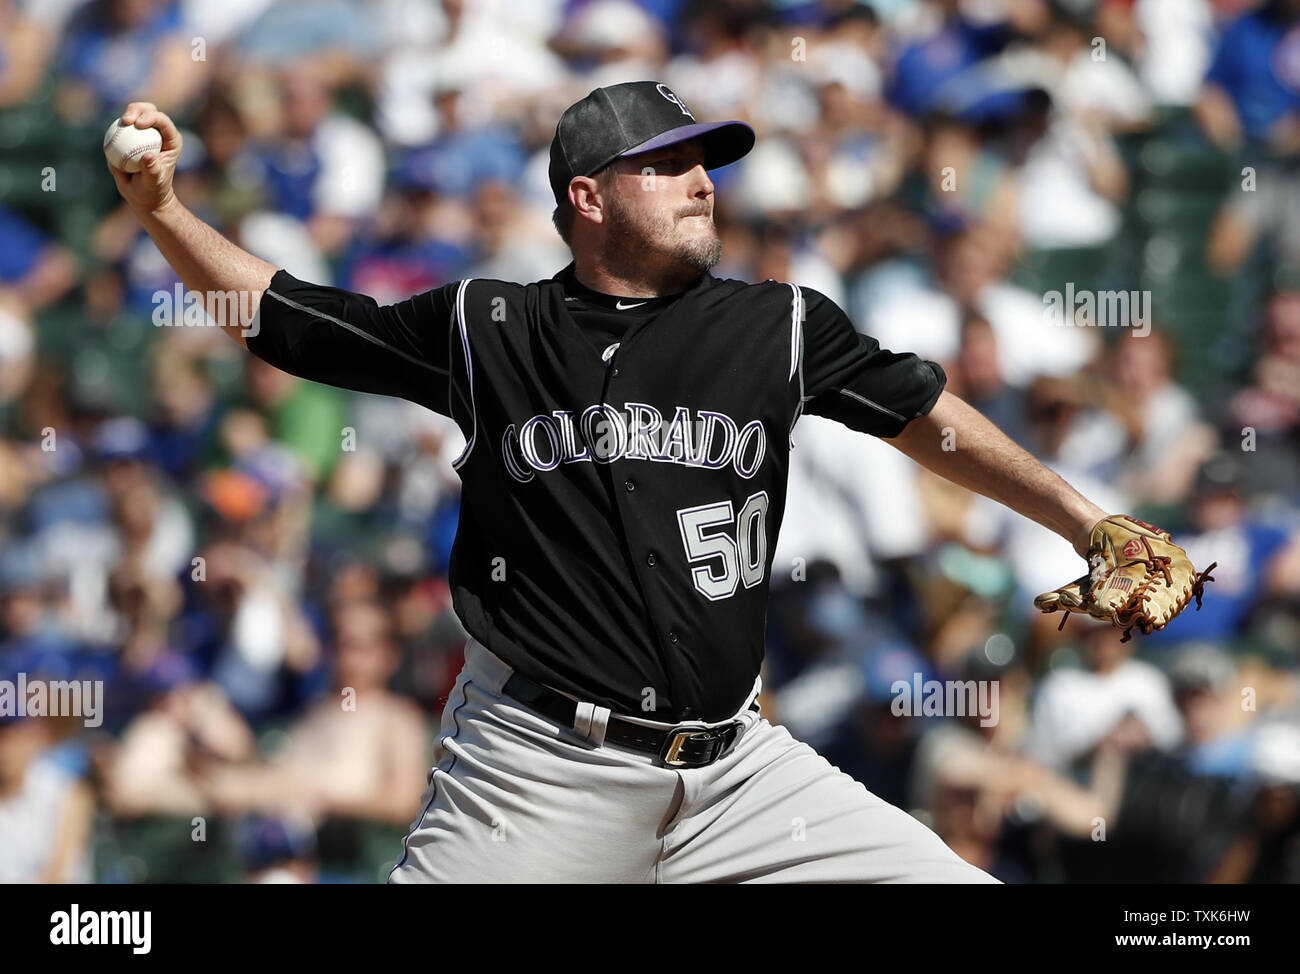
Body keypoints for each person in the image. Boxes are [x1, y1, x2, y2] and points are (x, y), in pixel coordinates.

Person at [110, 81, 1146, 884]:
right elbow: (289, 320)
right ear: (588, 195)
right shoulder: (489, 328)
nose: (703, 179)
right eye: (669, 163)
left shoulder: (774, 325)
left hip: (737, 769)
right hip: (534, 769)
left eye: (708, 161)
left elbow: (927, 418)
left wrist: (1084, 518)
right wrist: (162, 212)